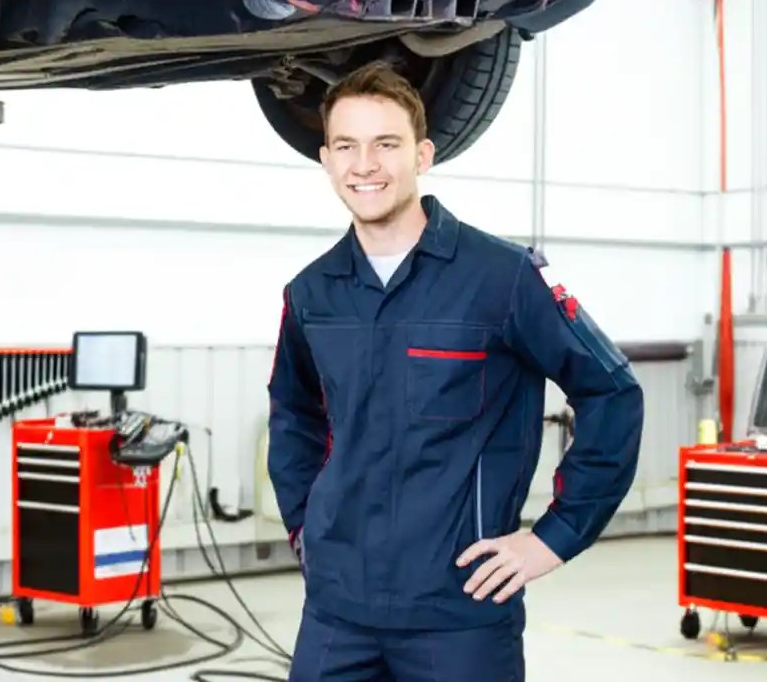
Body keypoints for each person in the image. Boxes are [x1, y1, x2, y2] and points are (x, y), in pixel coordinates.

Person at [266, 61, 645, 681]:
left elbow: (611, 390)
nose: (366, 165)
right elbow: (294, 413)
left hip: (460, 610)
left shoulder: (502, 278)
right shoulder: (312, 292)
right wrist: (307, 526)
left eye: (386, 144)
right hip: (338, 611)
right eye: (347, 146)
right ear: (327, 160)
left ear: (423, 155)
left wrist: (555, 535)